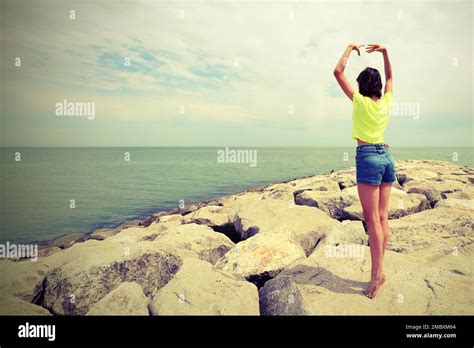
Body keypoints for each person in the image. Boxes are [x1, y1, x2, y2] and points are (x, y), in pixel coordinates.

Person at [333, 43, 396, 299]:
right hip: (387, 157)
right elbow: (391, 77)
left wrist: (349, 48)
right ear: (378, 86)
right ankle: (380, 270)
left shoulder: (359, 102)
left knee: (372, 221)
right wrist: (385, 52)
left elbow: (337, 72)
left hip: (368, 157)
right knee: (382, 217)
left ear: (362, 86)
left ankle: (375, 276)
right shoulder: (386, 102)